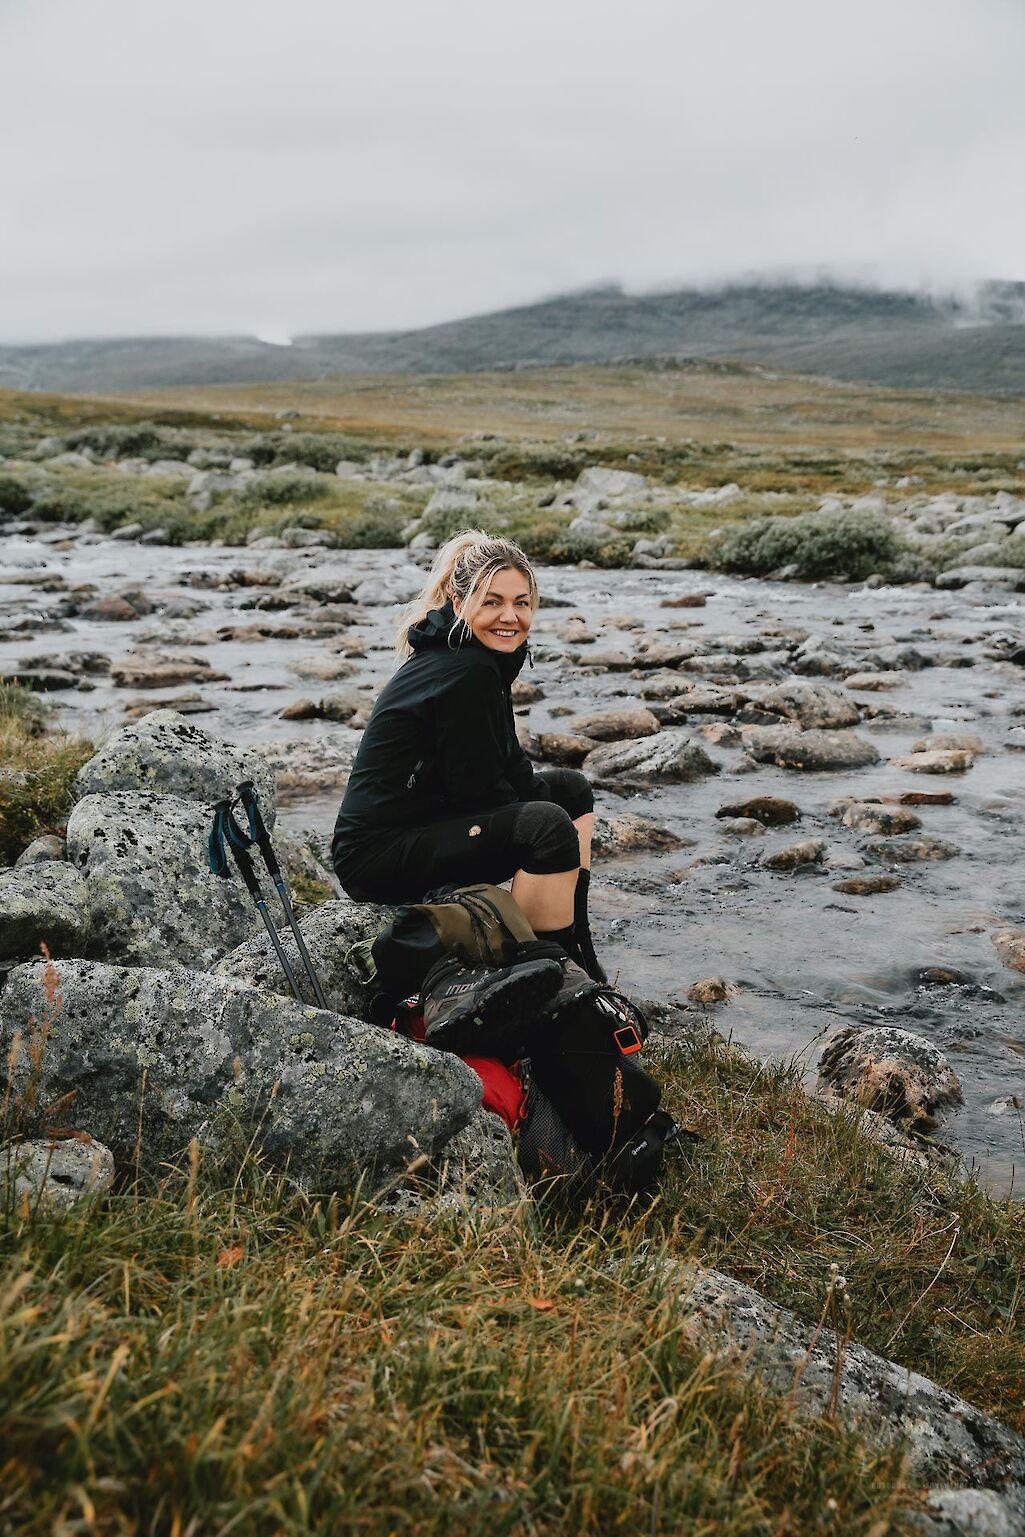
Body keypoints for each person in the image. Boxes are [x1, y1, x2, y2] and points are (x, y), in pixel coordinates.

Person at [332, 529, 606, 981]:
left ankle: (575, 948)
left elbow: (508, 760)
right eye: (492, 601)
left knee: (569, 791)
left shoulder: (474, 657)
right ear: (459, 604)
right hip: (377, 856)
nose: (510, 616)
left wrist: (540, 801)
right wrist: (536, 823)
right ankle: (551, 972)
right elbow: (475, 791)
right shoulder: (467, 669)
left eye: (521, 603)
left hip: (416, 828)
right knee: (545, 826)